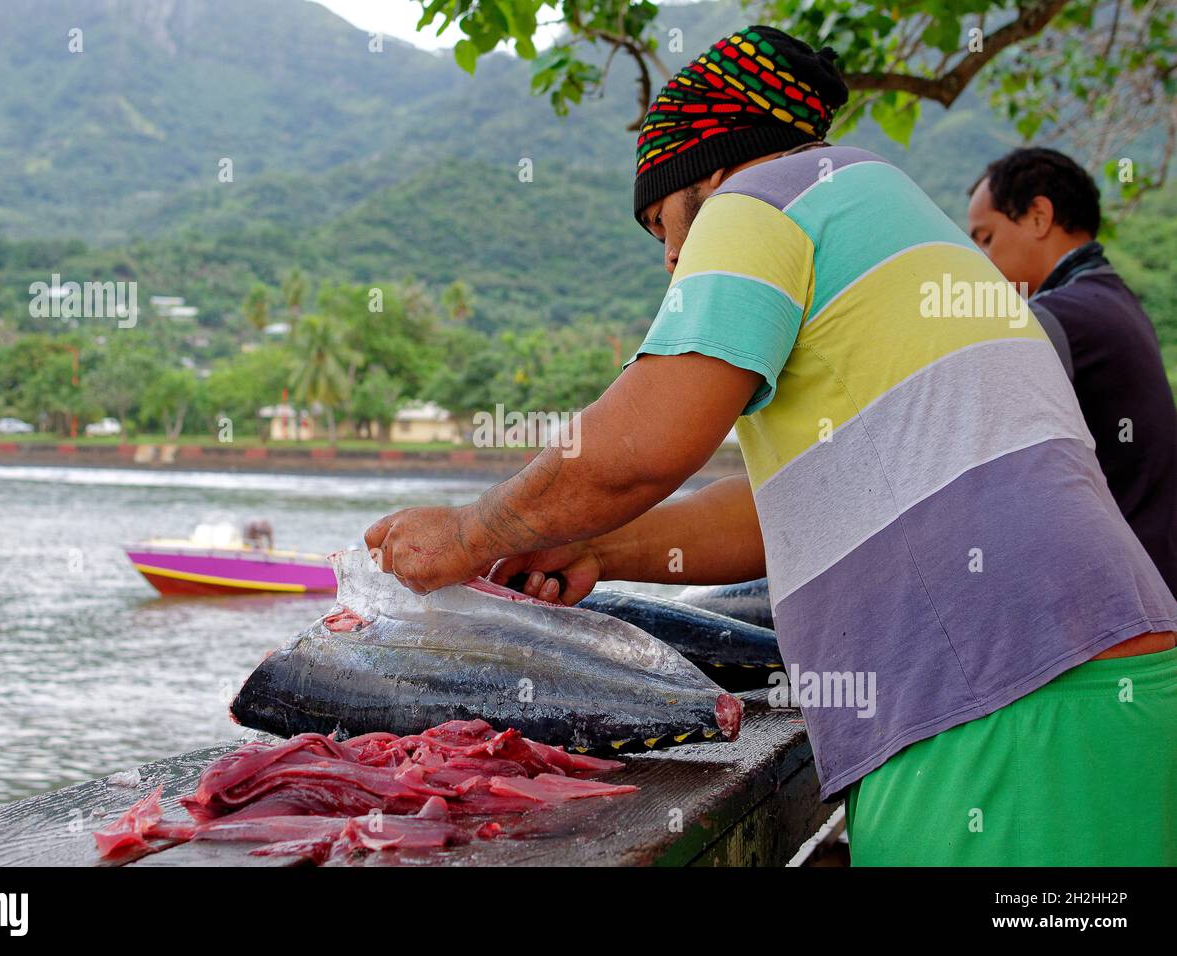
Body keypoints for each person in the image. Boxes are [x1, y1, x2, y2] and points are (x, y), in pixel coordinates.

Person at [365, 26, 1177, 865]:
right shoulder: (880, 213)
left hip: (999, 702)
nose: (675, 256)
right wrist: (596, 545)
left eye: (663, 224)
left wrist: (473, 533)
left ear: (709, 173)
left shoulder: (758, 199)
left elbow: (645, 441)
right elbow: (785, 513)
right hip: (1100, 688)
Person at [968, 148, 1177, 593]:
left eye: (986, 238)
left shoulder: (1051, 319)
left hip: (1118, 600)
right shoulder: (1112, 300)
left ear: (1039, 216)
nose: (981, 261)